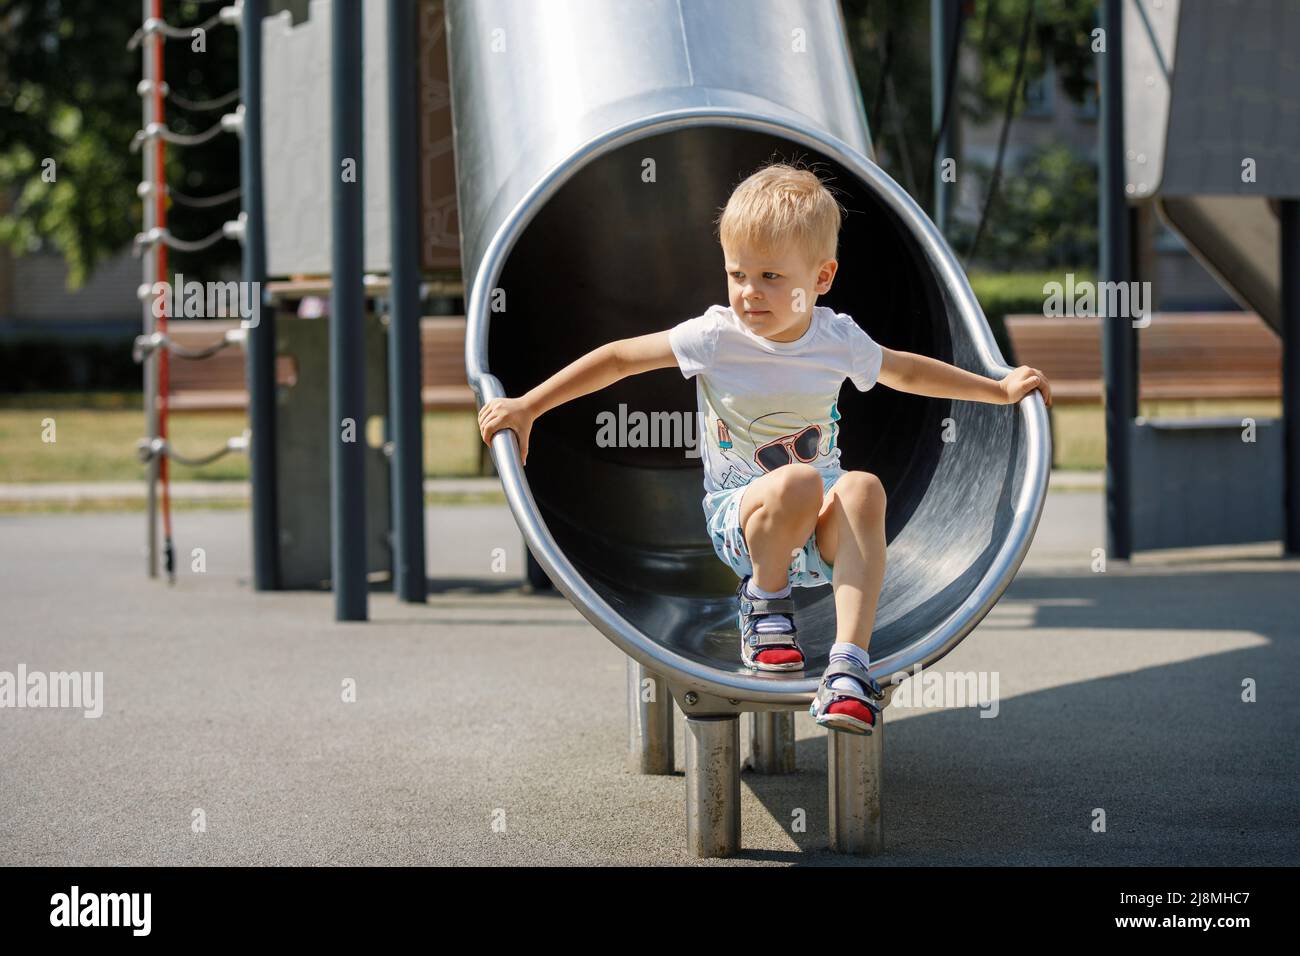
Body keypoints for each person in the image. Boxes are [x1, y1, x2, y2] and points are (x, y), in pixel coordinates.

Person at [478, 160, 1052, 735]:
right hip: (742, 519)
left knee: (862, 487)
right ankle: (765, 602)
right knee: (798, 480)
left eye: (772, 277)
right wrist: (528, 406)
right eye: (738, 274)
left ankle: (849, 668)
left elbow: (908, 372)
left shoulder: (836, 338)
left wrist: (996, 389)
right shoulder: (716, 336)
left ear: (821, 279)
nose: (749, 293)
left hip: (819, 523)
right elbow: (620, 359)